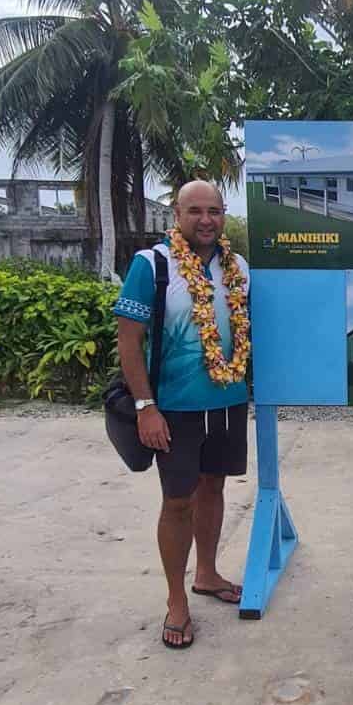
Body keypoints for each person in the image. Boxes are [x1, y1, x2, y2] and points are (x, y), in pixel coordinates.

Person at [113, 181, 251, 649]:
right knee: (177, 502)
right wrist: (145, 407)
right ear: (177, 215)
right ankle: (176, 600)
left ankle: (206, 575)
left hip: (228, 401)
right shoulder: (151, 265)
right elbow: (129, 340)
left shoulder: (238, 268)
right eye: (196, 211)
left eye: (215, 210)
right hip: (173, 409)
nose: (207, 220)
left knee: (214, 488)